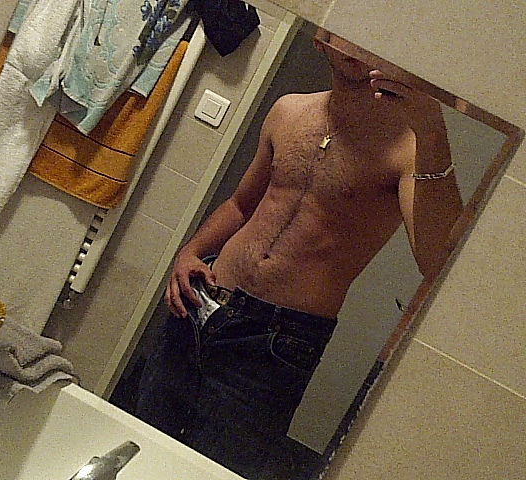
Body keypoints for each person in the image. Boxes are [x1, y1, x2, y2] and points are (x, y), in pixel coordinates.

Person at [135, 28, 463, 479]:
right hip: (202, 300)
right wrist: (190, 251)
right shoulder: (288, 110)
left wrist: (433, 134)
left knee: (214, 471)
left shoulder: (408, 148)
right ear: (320, 39)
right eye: (343, 30)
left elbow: (438, 262)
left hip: (277, 340)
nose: (355, 44)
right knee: (140, 440)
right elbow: (241, 204)